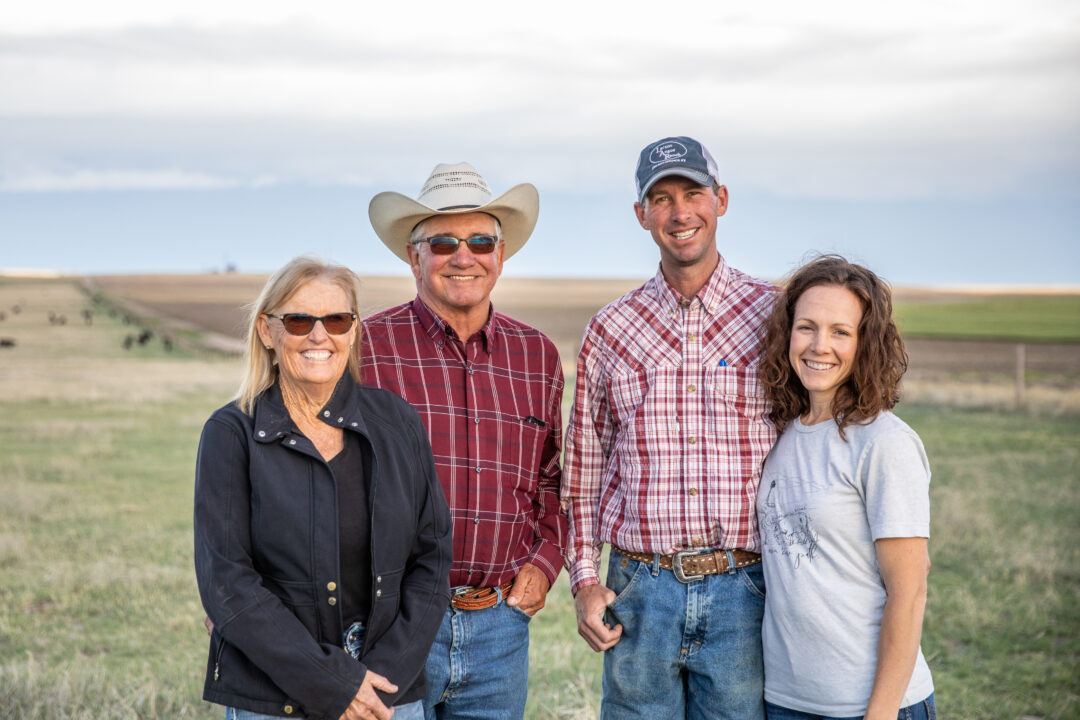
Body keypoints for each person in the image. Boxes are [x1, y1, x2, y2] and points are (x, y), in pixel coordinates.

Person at [563, 136, 777, 719]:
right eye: (661, 199)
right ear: (642, 214)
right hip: (640, 590)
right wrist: (584, 581)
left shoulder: (775, 316)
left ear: (721, 200)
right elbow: (583, 469)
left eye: (693, 193)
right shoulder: (611, 328)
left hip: (746, 587)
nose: (680, 212)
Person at [194, 257, 452, 720]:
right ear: (267, 331)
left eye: (336, 320)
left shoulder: (397, 422)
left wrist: (379, 681)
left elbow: (431, 560)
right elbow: (227, 583)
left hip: (388, 695)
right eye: (299, 321)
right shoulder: (231, 433)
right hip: (275, 698)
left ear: (352, 331)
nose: (319, 336)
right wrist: (335, 684)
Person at [364, 163, 567, 719]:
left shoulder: (537, 356)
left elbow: (552, 479)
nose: (463, 256)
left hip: (500, 628)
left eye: (480, 241)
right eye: (443, 243)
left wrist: (545, 563)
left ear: (500, 254)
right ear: (415, 258)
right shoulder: (366, 348)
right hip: (393, 624)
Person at [755, 255, 936, 720]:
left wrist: (880, 713)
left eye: (841, 332)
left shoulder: (884, 443)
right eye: (807, 327)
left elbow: (909, 592)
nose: (820, 346)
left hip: (868, 705)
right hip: (785, 701)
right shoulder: (781, 435)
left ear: (866, 344)